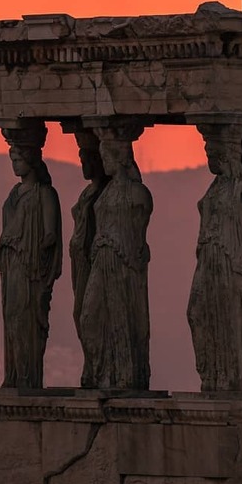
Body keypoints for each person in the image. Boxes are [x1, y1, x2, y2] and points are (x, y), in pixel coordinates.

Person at [187, 125, 242, 392]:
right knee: (196, 312)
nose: (209, 158)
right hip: (208, 259)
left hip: (229, 263)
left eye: (213, 153)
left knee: (229, 319)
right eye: (208, 152)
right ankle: (212, 375)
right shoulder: (216, 187)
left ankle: (231, 379)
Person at [79, 126, 152, 389]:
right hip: (101, 259)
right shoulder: (105, 192)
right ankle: (101, 373)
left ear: (120, 157)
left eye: (107, 156)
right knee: (88, 318)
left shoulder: (139, 195)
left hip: (122, 264)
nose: (104, 161)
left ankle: (125, 376)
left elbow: (140, 243)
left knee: (122, 317)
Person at [0, 129, 62, 389]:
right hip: (12, 264)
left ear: (32, 160)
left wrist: (27, 242)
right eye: (12, 160)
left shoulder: (44, 193)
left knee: (25, 320)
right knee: (12, 319)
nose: (15, 164)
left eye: (18, 159)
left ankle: (27, 377)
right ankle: (13, 375)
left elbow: (50, 234)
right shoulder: (14, 193)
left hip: (30, 266)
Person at [69, 129, 108, 377]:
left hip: (97, 261)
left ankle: (99, 369)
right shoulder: (86, 193)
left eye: (89, 160)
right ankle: (92, 367)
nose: (84, 165)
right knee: (79, 312)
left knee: (90, 314)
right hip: (80, 260)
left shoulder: (105, 192)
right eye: (82, 160)